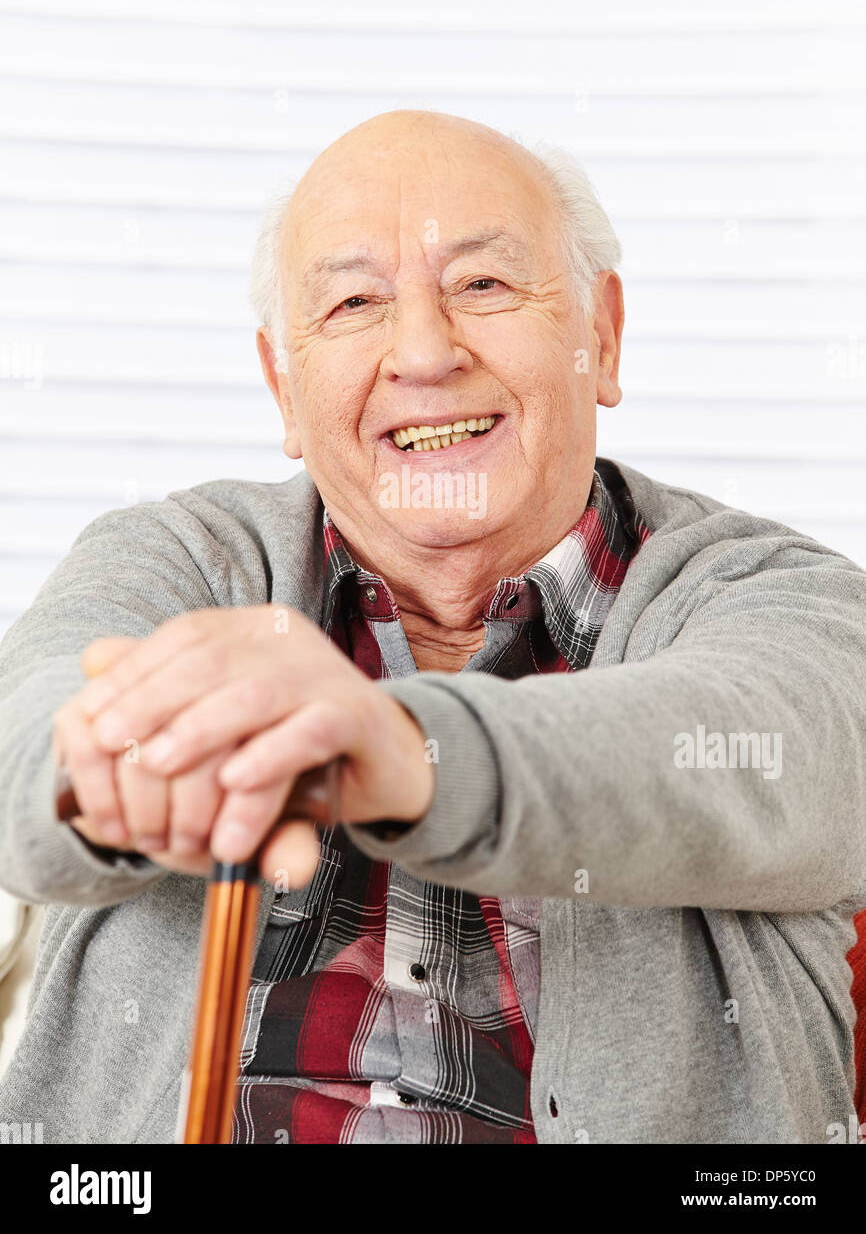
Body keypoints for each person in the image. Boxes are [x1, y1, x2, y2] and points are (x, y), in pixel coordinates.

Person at [1, 110, 865, 1143]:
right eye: (355, 301)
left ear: (602, 333)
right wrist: (119, 766)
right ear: (284, 382)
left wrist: (394, 749)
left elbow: (783, 750)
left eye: (483, 286)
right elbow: (30, 757)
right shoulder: (185, 557)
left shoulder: (768, 593)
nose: (421, 349)